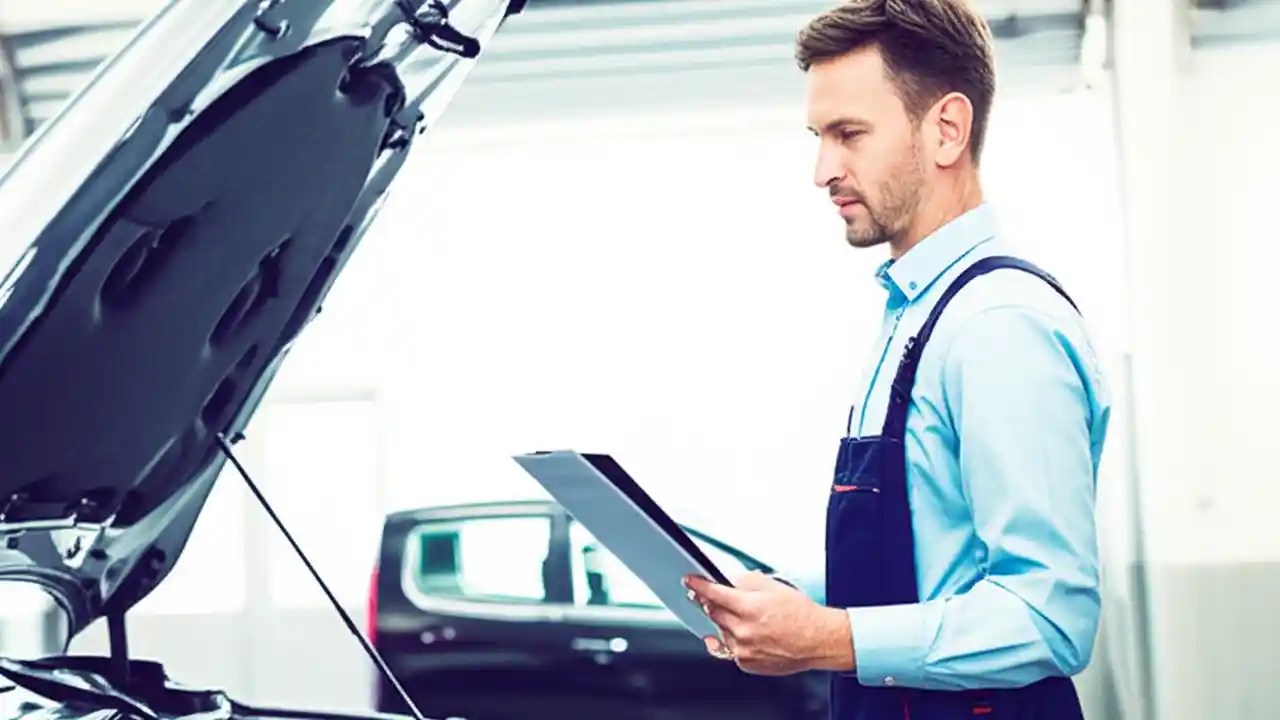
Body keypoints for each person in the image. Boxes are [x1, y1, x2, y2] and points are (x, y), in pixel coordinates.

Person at [682, 1, 1112, 718]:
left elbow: (1049, 617)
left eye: (849, 134)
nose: (823, 170)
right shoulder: (913, 315)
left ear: (946, 129)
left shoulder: (999, 326)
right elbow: (926, 568)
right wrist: (780, 597)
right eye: (819, 136)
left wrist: (829, 638)